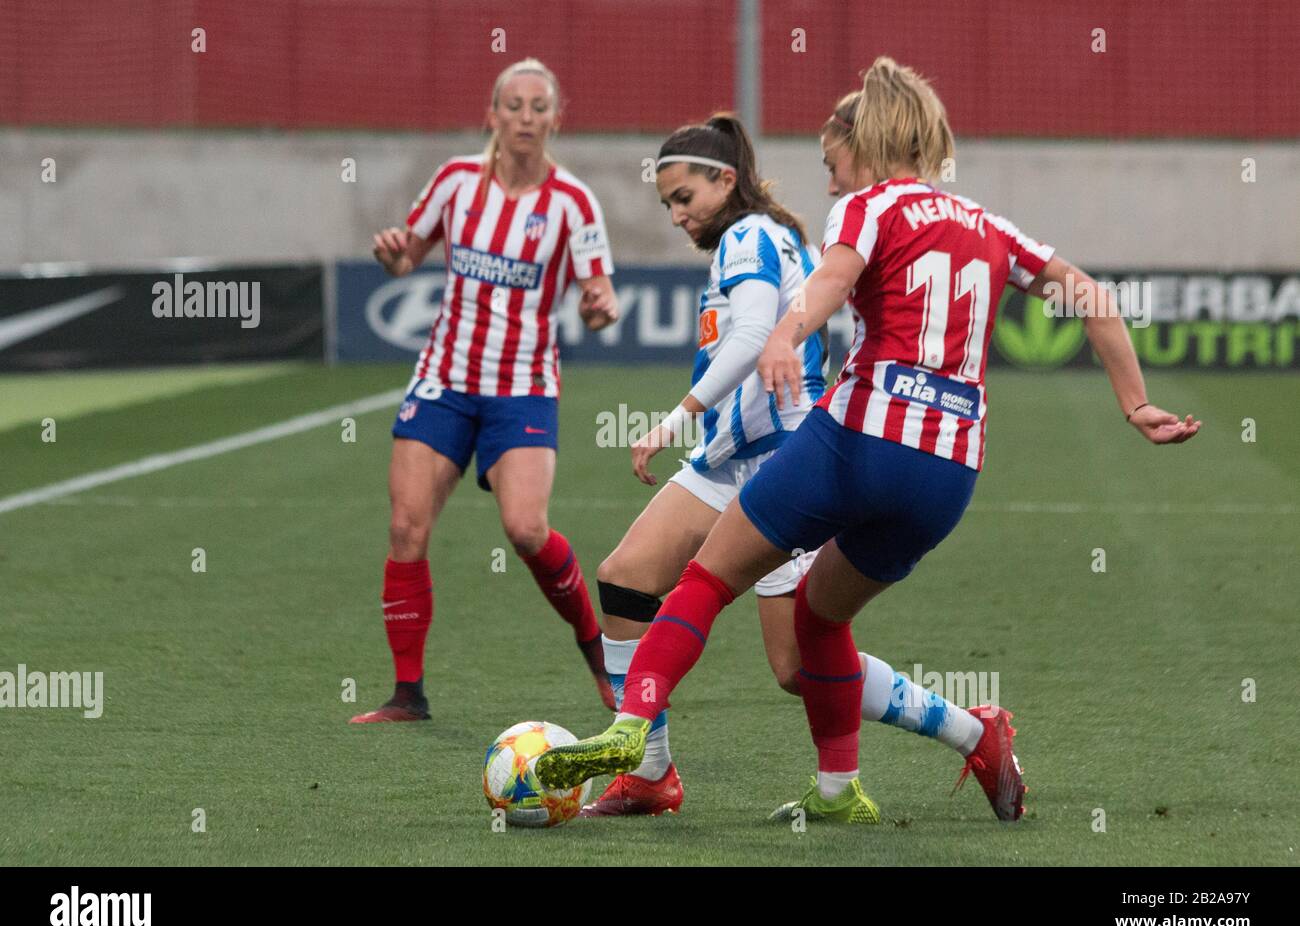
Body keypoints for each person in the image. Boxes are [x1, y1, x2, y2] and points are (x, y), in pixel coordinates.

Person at [537, 56, 1200, 823]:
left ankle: (630, 731)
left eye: (831, 163)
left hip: (857, 442)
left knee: (707, 582)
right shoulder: (988, 224)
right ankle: (839, 793)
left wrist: (788, 334)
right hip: (948, 475)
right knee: (820, 624)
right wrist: (1136, 404)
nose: (828, 181)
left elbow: (824, 285)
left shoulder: (869, 206)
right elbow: (1094, 298)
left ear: (872, 138)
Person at [352, 58, 620, 723]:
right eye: (514, 105)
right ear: (491, 115)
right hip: (444, 379)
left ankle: (596, 648)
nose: (526, 117)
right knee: (406, 525)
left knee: (527, 529)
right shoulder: (452, 182)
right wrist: (391, 254)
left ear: (557, 119)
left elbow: (596, 295)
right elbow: (406, 257)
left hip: (523, 386)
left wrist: (597, 308)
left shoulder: (573, 202)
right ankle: (407, 693)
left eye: (539, 107)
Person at [582, 112, 825, 815]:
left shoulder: (749, 236)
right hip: (728, 461)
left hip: (780, 467)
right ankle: (653, 775)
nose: (677, 216)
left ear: (726, 180)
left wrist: (674, 418)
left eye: (684, 198)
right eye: (667, 205)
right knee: (626, 579)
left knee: (798, 670)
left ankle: (970, 729)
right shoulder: (764, 238)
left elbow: (752, 334)